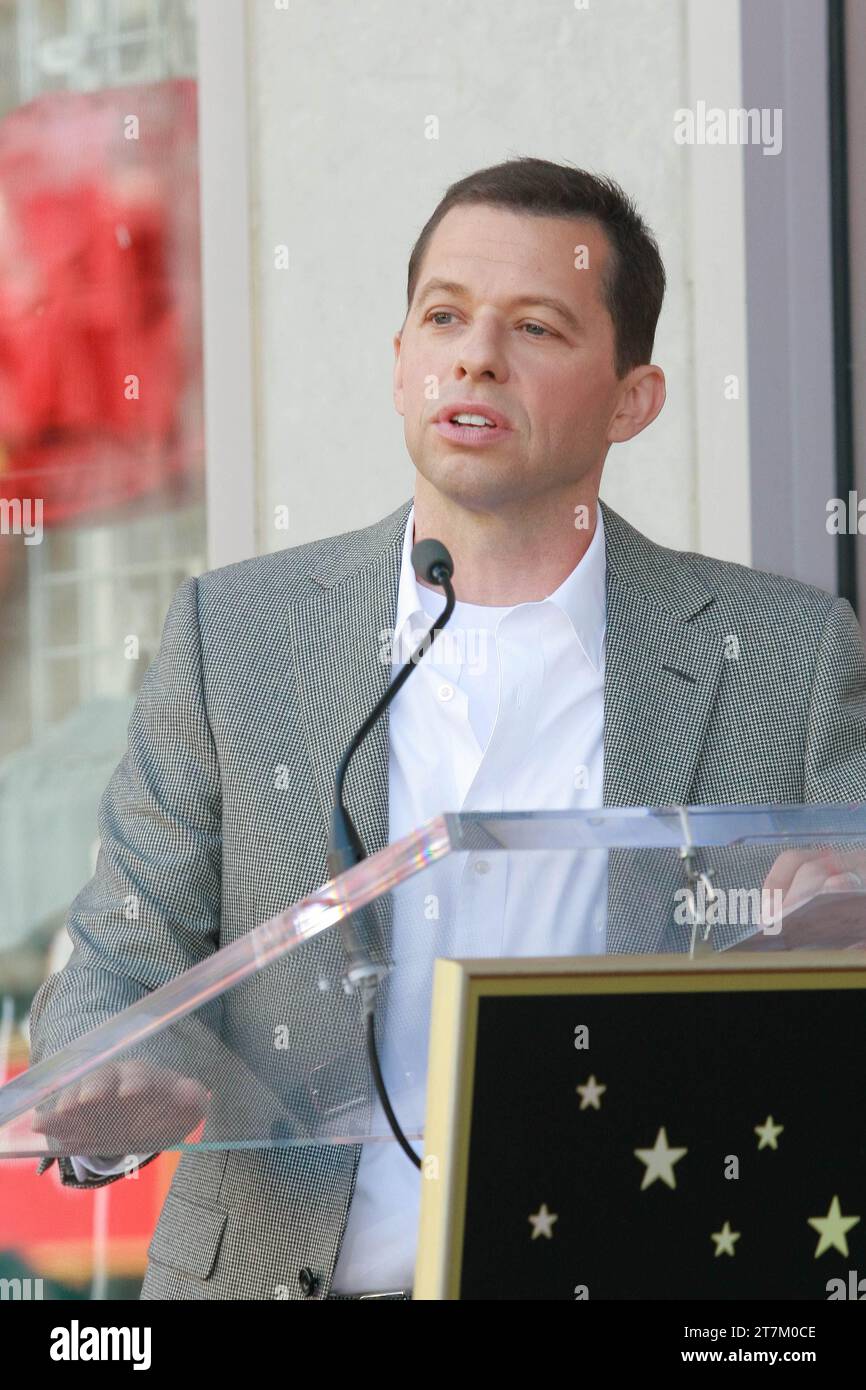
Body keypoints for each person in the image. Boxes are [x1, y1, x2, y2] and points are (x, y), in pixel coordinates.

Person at [28, 157, 866, 1300]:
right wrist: (109, 1083)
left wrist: (825, 947)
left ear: (632, 399)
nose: (475, 357)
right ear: (398, 364)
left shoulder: (783, 654)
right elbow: (122, 957)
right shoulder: (238, 635)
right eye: (443, 318)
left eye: (534, 327)